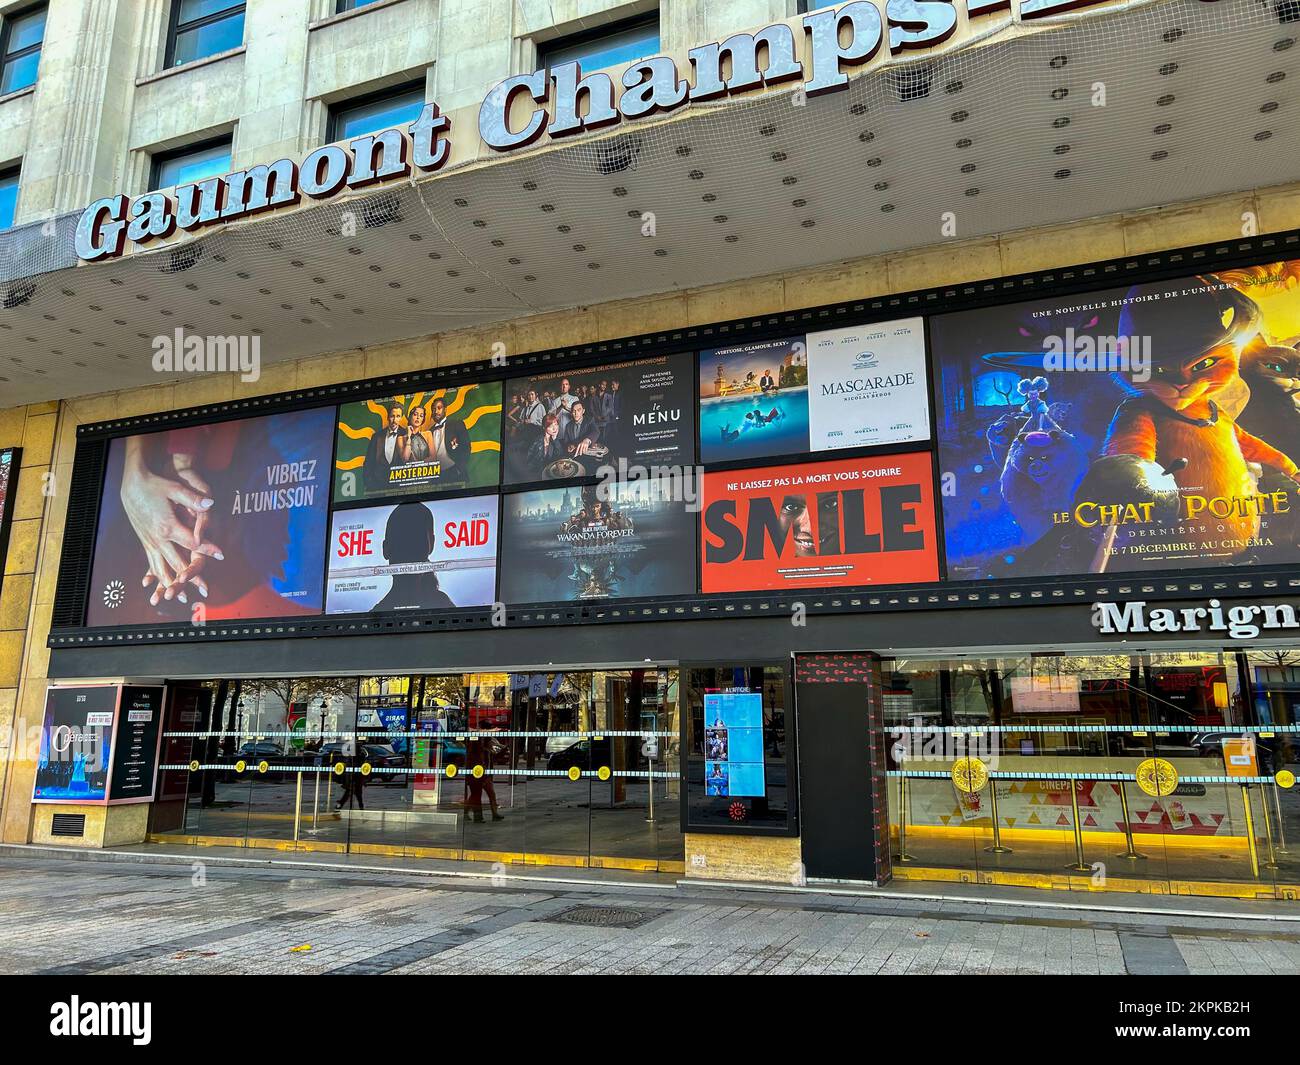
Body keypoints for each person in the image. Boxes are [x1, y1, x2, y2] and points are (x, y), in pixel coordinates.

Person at [374, 502, 455, 611]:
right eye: (401, 539)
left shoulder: (376, 613)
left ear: (385, 549)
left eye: (416, 539)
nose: (408, 548)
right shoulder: (442, 604)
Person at [365, 401, 406, 492]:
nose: (395, 420)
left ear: (401, 418)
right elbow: (368, 462)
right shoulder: (376, 436)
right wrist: (370, 484)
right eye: (392, 416)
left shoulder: (406, 435)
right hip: (377, 487)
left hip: (400, 488)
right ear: (388, 417)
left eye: (398, 416)